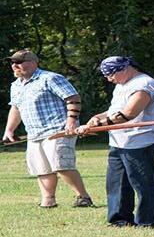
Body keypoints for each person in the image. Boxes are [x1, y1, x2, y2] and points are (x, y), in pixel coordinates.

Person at [76, 56, 154, 227]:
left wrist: (97, 126)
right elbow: (114, 112)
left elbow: (128, 114)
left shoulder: (144, 85)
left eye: (111, 75)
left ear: (124, 69)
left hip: (140, 141)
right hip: (119, 141)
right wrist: (95, 119)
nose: (109, 79)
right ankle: (120, 220)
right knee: (116, 183)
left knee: (143, 183)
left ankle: (148, 222)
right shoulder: (121, 85)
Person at [2, 49, 93, 208]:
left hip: (58, 129)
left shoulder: (50, 78)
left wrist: (71, 121)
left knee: (61, 165)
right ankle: (48, 200)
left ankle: (83, 197)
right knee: (41, 167)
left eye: (19, 62)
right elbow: (16, 108)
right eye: (13, 62)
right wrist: (9, 130)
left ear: (33, 63)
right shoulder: (16, 85)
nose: (15, 65)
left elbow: (72, 98)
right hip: (34, 132)